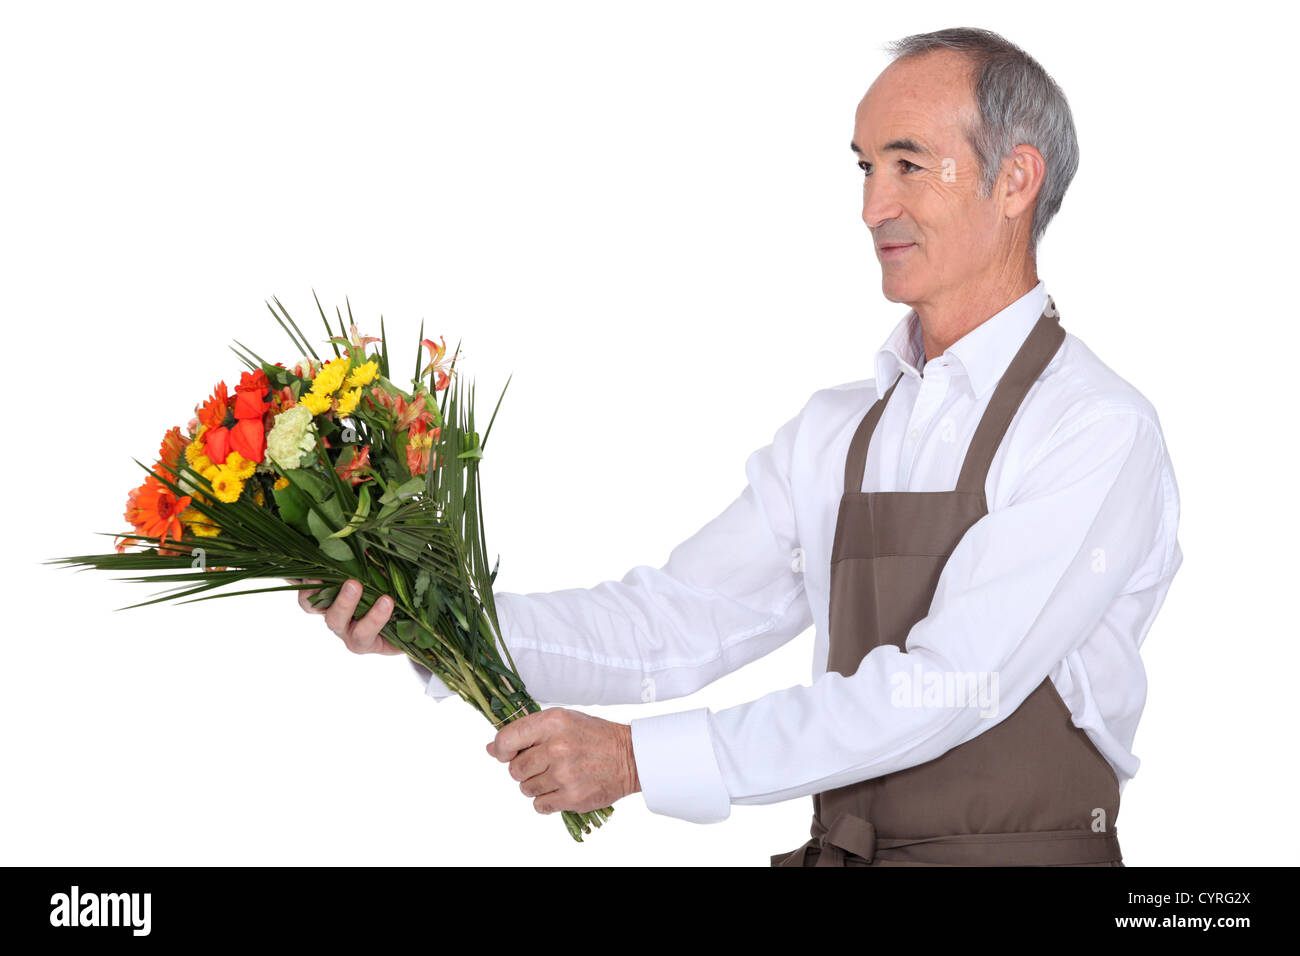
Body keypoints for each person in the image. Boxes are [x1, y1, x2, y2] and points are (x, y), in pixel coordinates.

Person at [296, 26, 1182, 866]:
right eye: (866, 168)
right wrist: (431, 618)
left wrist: (646, 760)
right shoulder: (838, 432)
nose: (874, 205)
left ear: (1016, 179)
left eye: (909, 163)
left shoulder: (1094, 430)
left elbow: (946, 688)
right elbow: (673, 624)